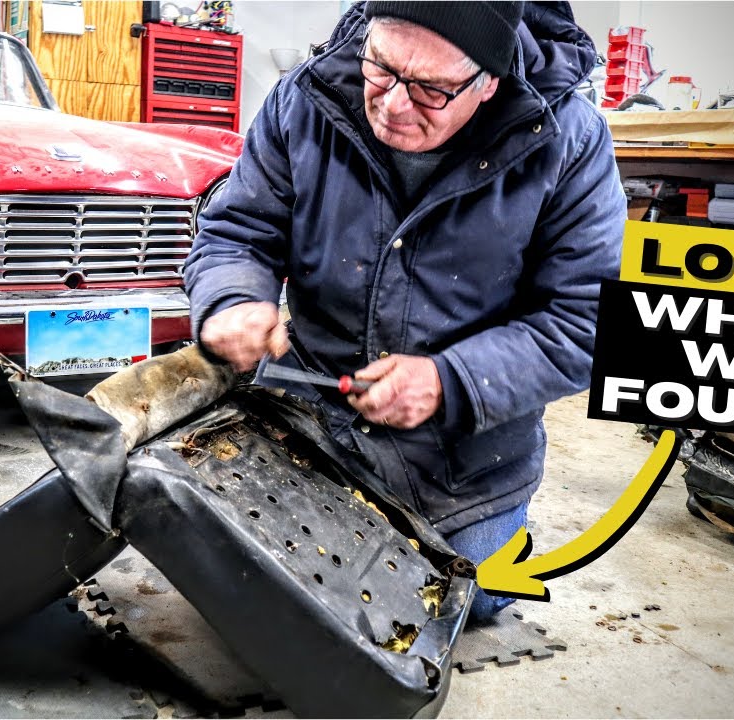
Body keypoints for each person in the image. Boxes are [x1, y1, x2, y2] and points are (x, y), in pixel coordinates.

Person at [183, 0, 626, 620]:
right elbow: (237, 234)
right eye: (382, 68)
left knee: (446, 605)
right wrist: (233, 298)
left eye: (431, 90)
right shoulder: (304, 100)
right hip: (309, 421)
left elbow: (585, 323)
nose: (392, 105)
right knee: (220, 566)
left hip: (459, 469)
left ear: (489, 81)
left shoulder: (568, 141)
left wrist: (451, 381)